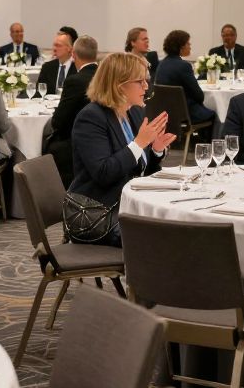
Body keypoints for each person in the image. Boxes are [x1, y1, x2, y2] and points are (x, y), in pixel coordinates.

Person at [69, 52, 176, 246]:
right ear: (118, 84)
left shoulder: (133, 111)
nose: (146, 86)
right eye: (140, 81)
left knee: (179, 225)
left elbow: (138, 168)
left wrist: (156, 150)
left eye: (146, 80)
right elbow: (104, 173)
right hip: (98, 212)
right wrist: (139, 144)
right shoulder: (91, 118)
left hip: (129, 205)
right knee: (165, 239)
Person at [46, 35, 99, 185]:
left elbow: (58, 122)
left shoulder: (75, 81)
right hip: (101, 140)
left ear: (73, 55)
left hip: (74, 145)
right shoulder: (105, 77)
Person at [155, 30, 216, 125]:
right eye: (188, 43)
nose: (190, 46)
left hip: (165, 112)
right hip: (184, 113)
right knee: (215, 114)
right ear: (181, 46)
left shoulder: (162, 64)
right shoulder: (183, 66)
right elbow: (199, 96)